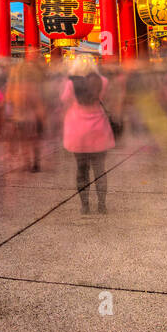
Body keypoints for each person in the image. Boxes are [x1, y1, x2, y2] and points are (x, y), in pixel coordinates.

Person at [61, 56, 113, 214]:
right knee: (100, 169)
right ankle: (102, 205)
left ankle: (85, 205)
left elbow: (64, 100)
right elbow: (106, 99)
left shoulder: (71, 84)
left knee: (81, 169)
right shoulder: (103, 81)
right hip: (98, 129)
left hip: (78, 131)